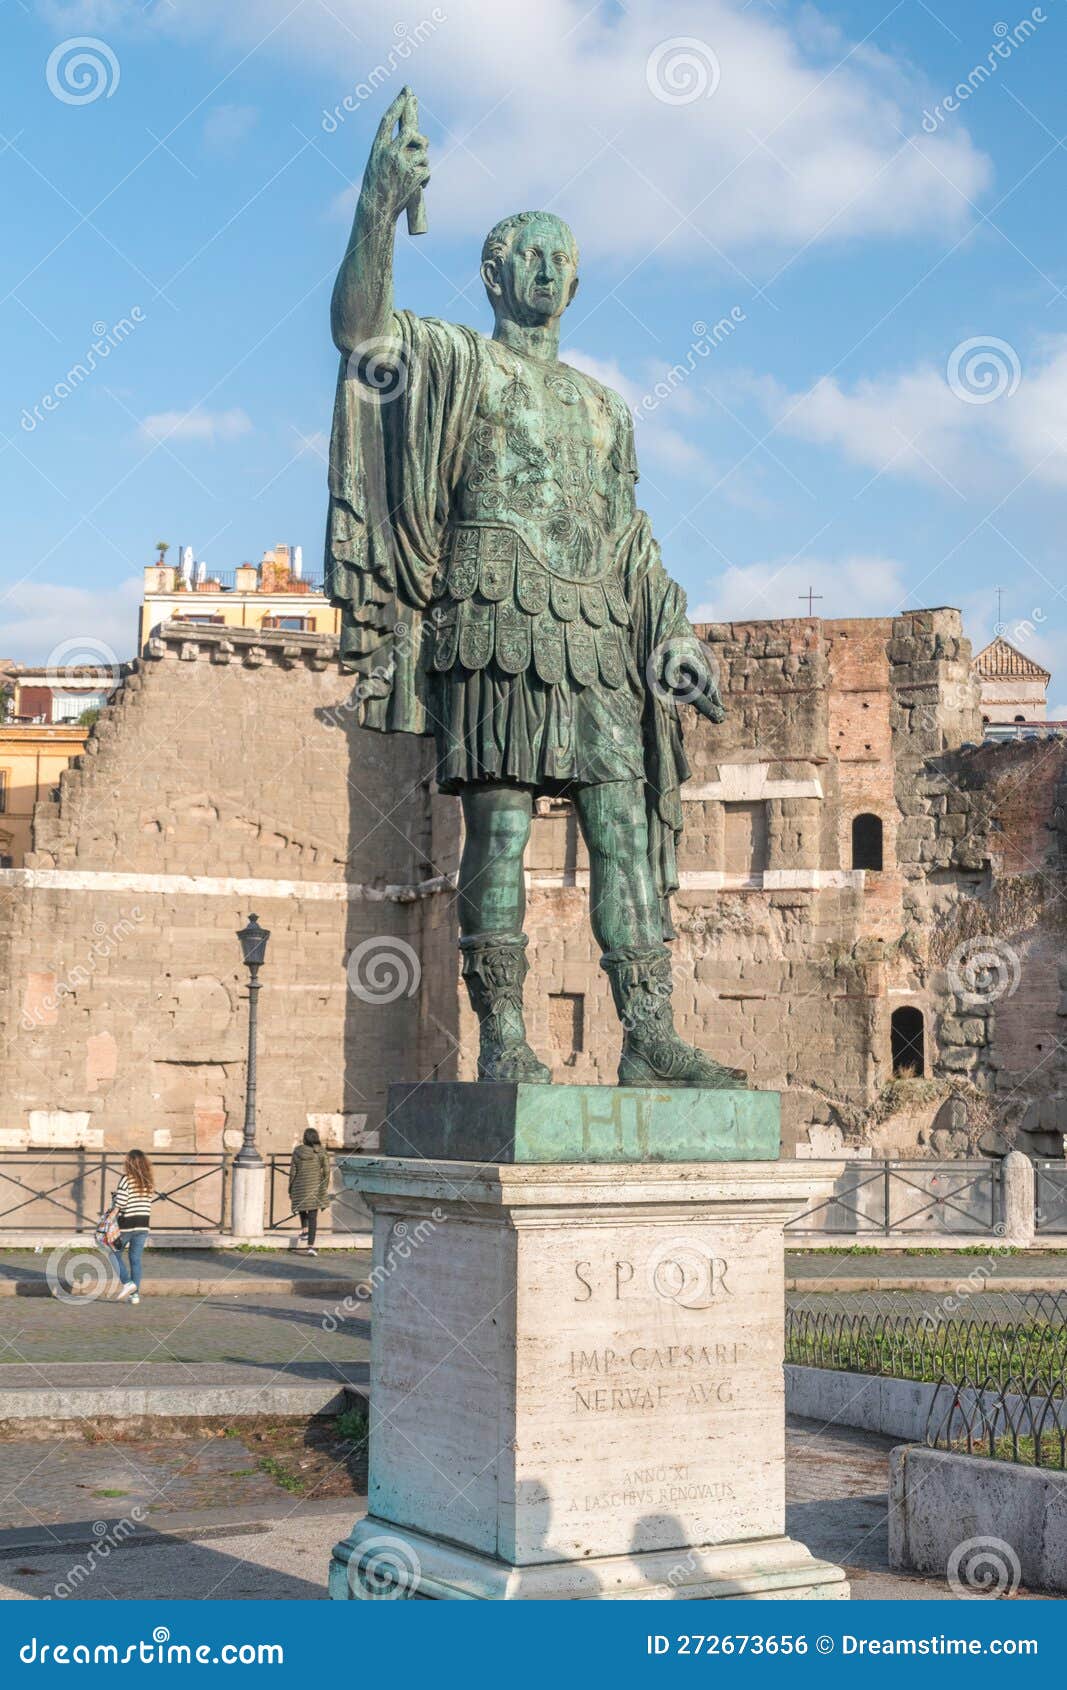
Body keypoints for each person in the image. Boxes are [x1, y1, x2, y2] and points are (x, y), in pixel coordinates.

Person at [326, 88, 745, 1089]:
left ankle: (647, 1032)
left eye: (564, 256)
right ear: (492, 273)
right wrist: (374, 211)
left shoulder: (605, 407)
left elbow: (630, 538)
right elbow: (359, 334)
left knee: (622, 829)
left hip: (596, 627)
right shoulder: (454, 361)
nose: (551, 268)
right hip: (491, 618)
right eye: (531, 253)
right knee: (499, 830)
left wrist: (673, 633)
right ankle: (504, 1037)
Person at [108, 1149, 155, 1305]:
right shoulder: (148, 1181)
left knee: (113, 1254)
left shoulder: (126, 1179)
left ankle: (127, 1283)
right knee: (135, 1260)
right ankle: (135, 1296)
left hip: (127, 1224)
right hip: (143, 1225)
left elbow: (121, 1202)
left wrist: (109, 1217)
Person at [288, 1128, 331, 1255]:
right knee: (313, 1216)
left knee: (302, 1206)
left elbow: (293, 1172)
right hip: (315, 1186)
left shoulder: (297, 1151)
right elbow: (327, 1171)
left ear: (305, 1138)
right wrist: (324, 1185)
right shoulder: (321, 1152)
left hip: (299, 1185)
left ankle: (304, 1231)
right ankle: (311, 1247)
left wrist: (290, 1188)